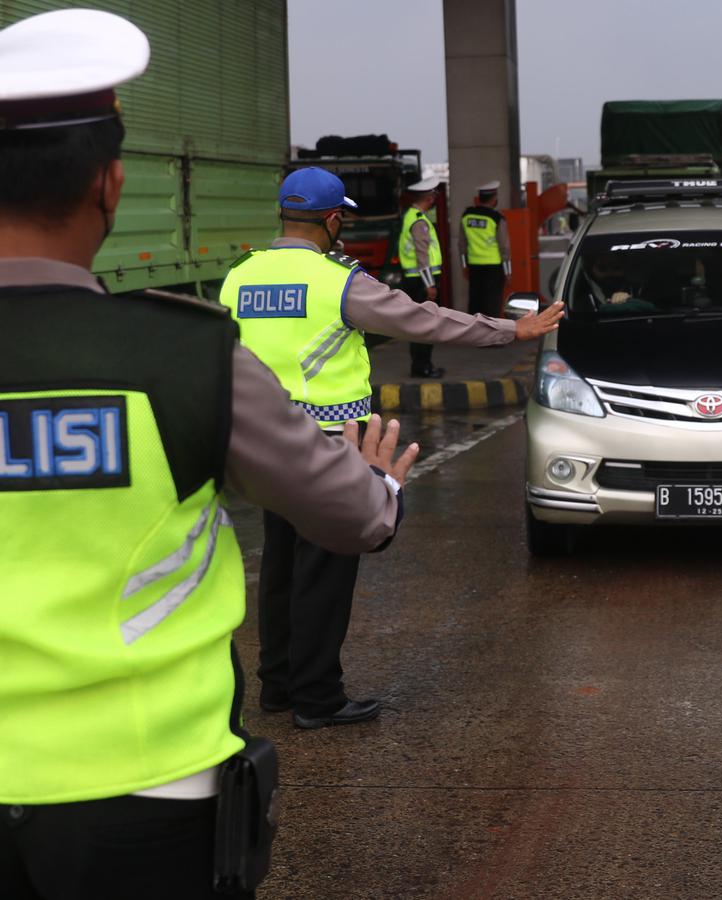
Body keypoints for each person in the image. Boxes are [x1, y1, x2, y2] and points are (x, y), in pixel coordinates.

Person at [0, 10, 419, 897]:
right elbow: (351, 519)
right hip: (150, 793)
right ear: (110, 185)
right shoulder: (181, 357)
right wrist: (380, 482)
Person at [219, 167, 563, 731]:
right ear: (333, 220)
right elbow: (424, 321)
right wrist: (509, 331)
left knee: (281, 565)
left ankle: (277, 686)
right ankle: (318, 697)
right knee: (326, 569)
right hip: (331, 447)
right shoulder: (340, 283)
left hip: (266, 441)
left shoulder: (240, 277)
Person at [398, 178, 445, 377]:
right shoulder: (419, 221)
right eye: (433, 195)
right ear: (428, 197)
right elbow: (422, 256)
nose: (434, 199)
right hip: (421, 281)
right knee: (425, 326)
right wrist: (430, 285)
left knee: (421, 325)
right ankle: (422, 367)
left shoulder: (413, 216)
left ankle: (422, 365)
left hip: (417, 279)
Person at [459, 180, 511, 317]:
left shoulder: (467, 215)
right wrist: (507, 271)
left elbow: (462, 244)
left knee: (475, 303)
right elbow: (504, 248)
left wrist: (464, 266)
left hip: (474, 266)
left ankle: (474, 335)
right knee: (492, 304)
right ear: (494, 198)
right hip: (493, 268)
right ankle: (491, 335)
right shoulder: (496, 218)